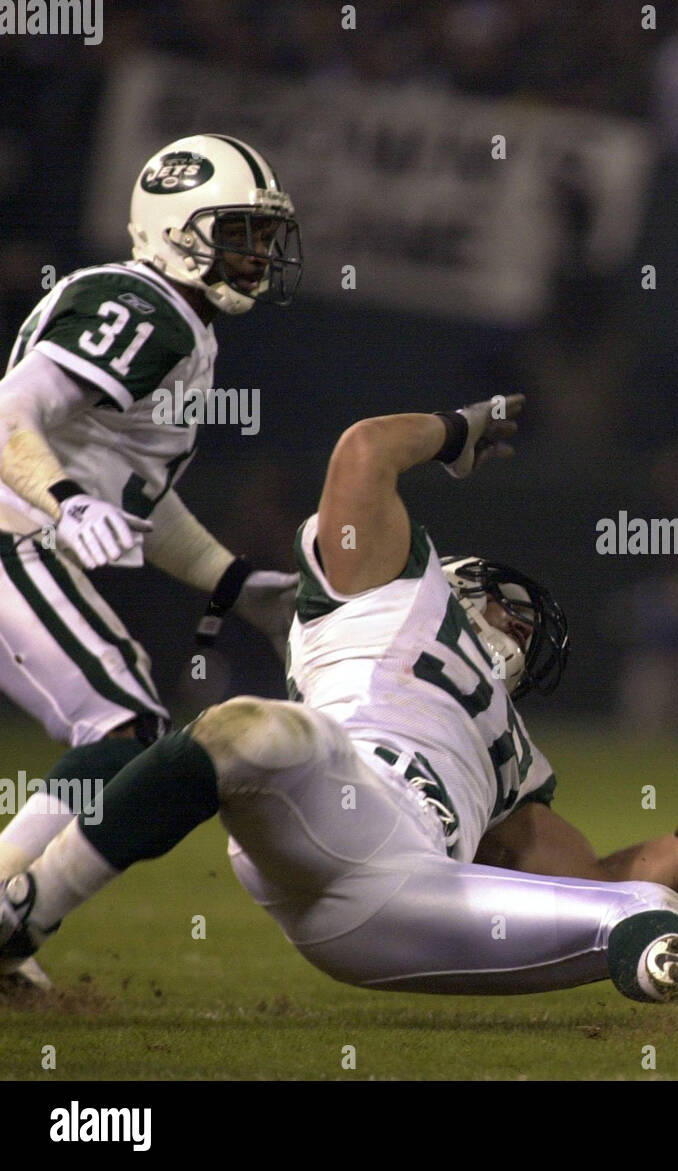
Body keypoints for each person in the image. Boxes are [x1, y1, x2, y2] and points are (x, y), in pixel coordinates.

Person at [0, 397, 678, 1003]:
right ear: (456, 582)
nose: (514, 628)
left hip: (404, 898)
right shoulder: (383, 587)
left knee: (642, 908)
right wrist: (456, 430)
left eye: (525, 630)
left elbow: (593, 873)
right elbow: (364, 449)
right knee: (248, 729)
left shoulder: (508, 750)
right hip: (333, 796)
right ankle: (28, 910)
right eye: (505, 609)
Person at [0, 137, 304, 971]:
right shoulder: (147, 310)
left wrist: (233, 582)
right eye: (238, 233)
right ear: (176, 229)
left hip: (21, 531)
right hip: (9, 531)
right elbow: (8, 414)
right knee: (125, 722)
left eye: (263, 236)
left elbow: (140, 500)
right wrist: (63, 502)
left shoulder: (183, 329)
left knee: (126, 723)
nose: (258, 255)